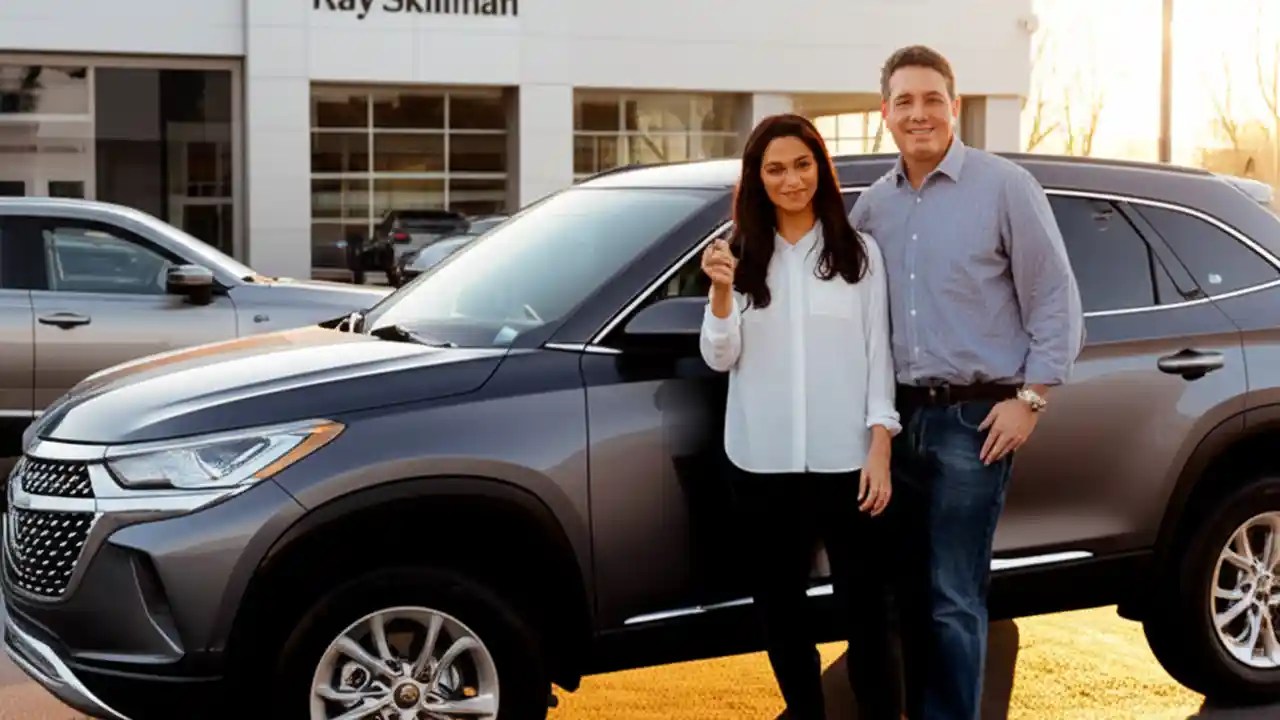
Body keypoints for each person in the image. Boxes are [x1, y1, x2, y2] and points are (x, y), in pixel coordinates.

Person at [850, 45, 1085, 720]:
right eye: (905, 102)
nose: (918, 114)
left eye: (931, 100)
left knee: (954, 594)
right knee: (905, 594)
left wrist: (1031, 400)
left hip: (974, 422)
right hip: (895, 422)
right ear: (885, 114)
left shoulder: (1004, 186)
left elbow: (1054, 298)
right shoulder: (874, 209)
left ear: (954, 107)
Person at [700, 113, 904, 720]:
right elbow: (720, 356)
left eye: (802, 164)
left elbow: (878, 357)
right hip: (761, 462)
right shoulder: (734, 253)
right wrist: (718, 294)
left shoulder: (858, 254)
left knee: (866, 613)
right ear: (757, 179)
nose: (791, 180)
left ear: (820, 168)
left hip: (849, 462)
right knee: (782, 615)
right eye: (776, 169)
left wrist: (880, 447)